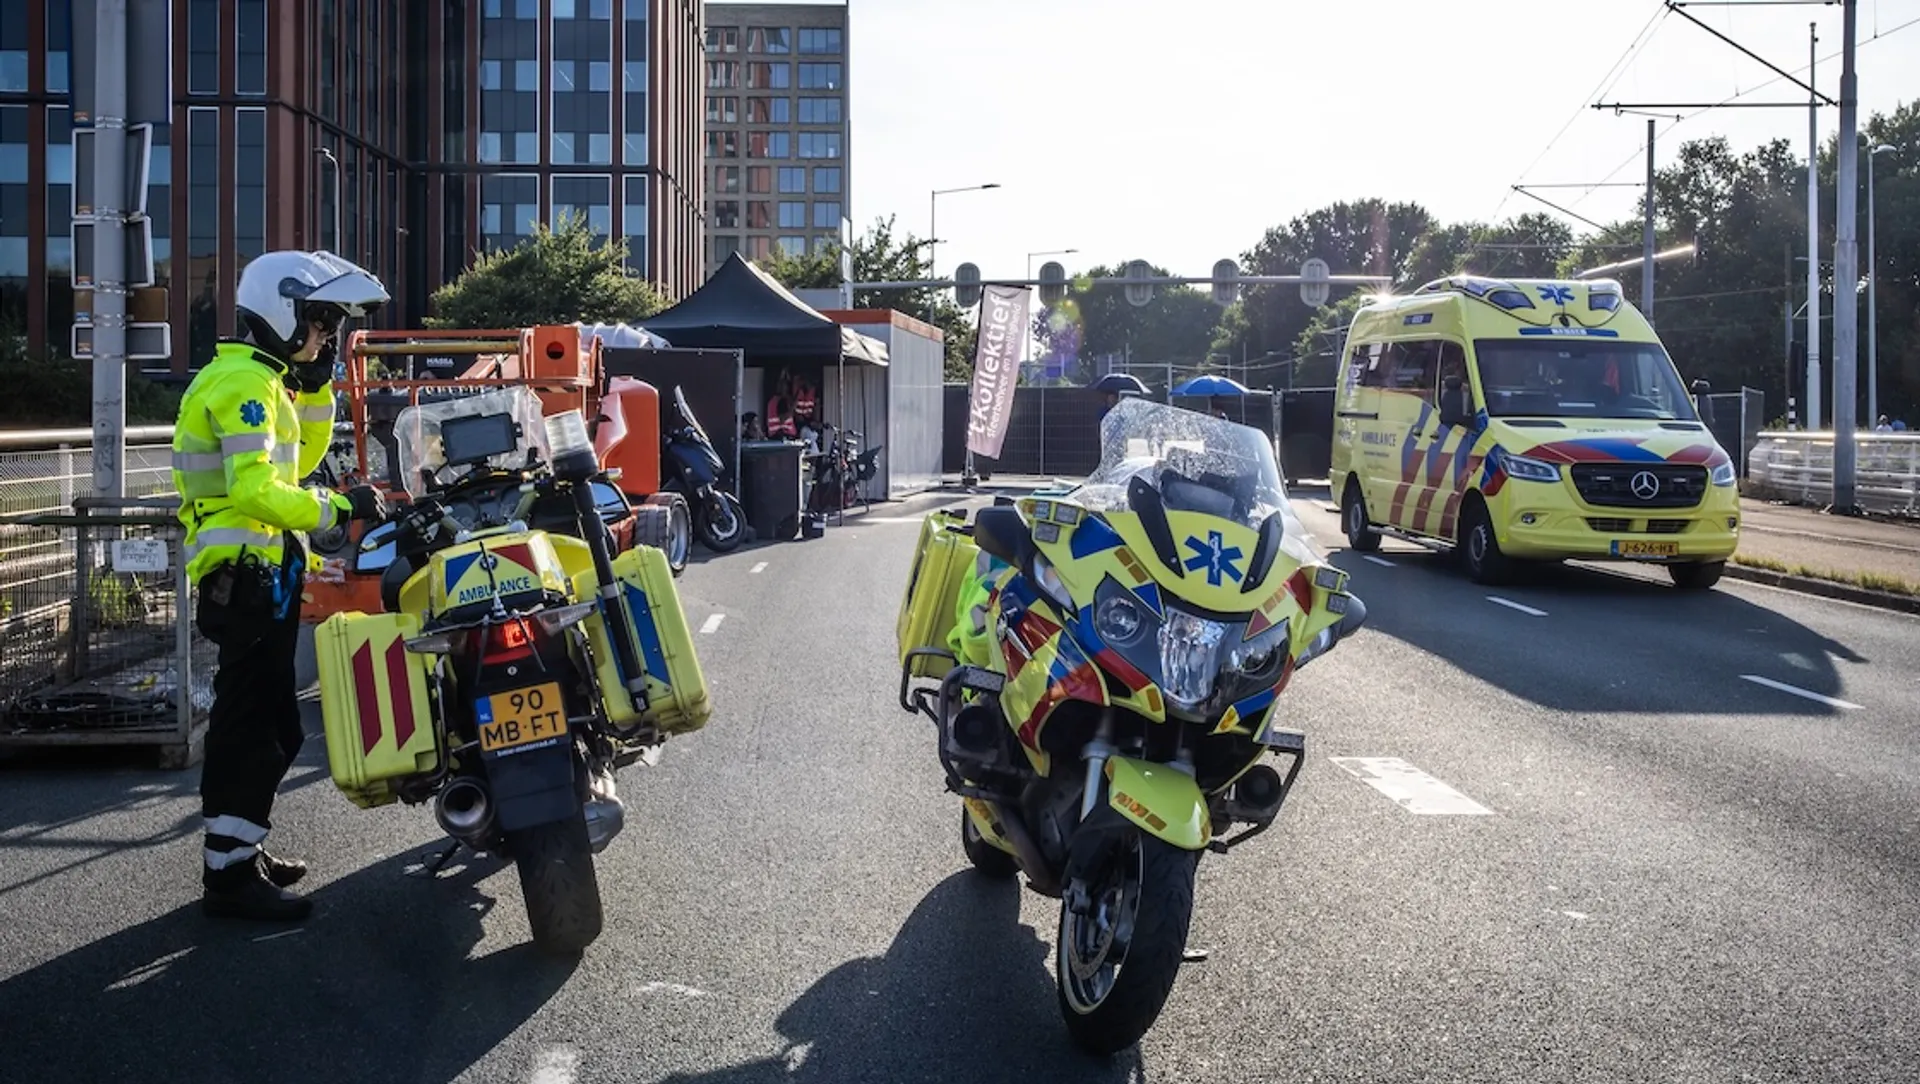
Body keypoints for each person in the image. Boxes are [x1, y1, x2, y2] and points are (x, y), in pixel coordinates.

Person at [170, 250, 390, 921]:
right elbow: (259, 490)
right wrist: (340, 510)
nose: (326, 340)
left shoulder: (262, 381)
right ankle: (229, 876)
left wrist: (319, 384)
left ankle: (237, 849)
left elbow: (303, 461)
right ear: (284, 313)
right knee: (253, 726)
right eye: (320, 327)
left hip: (261, 575)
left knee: (273, 725)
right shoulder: (243, 386)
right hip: (244, 577)